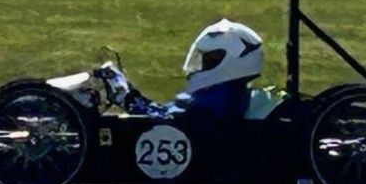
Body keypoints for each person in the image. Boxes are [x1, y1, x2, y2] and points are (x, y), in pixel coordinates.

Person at [102, 18, 270, 123]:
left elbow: (170, 120)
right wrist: (131, 95)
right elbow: (170, 111)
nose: (202, 66)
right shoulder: (235, 94)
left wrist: (125, 98)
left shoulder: (218, 99)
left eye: (209, 60)